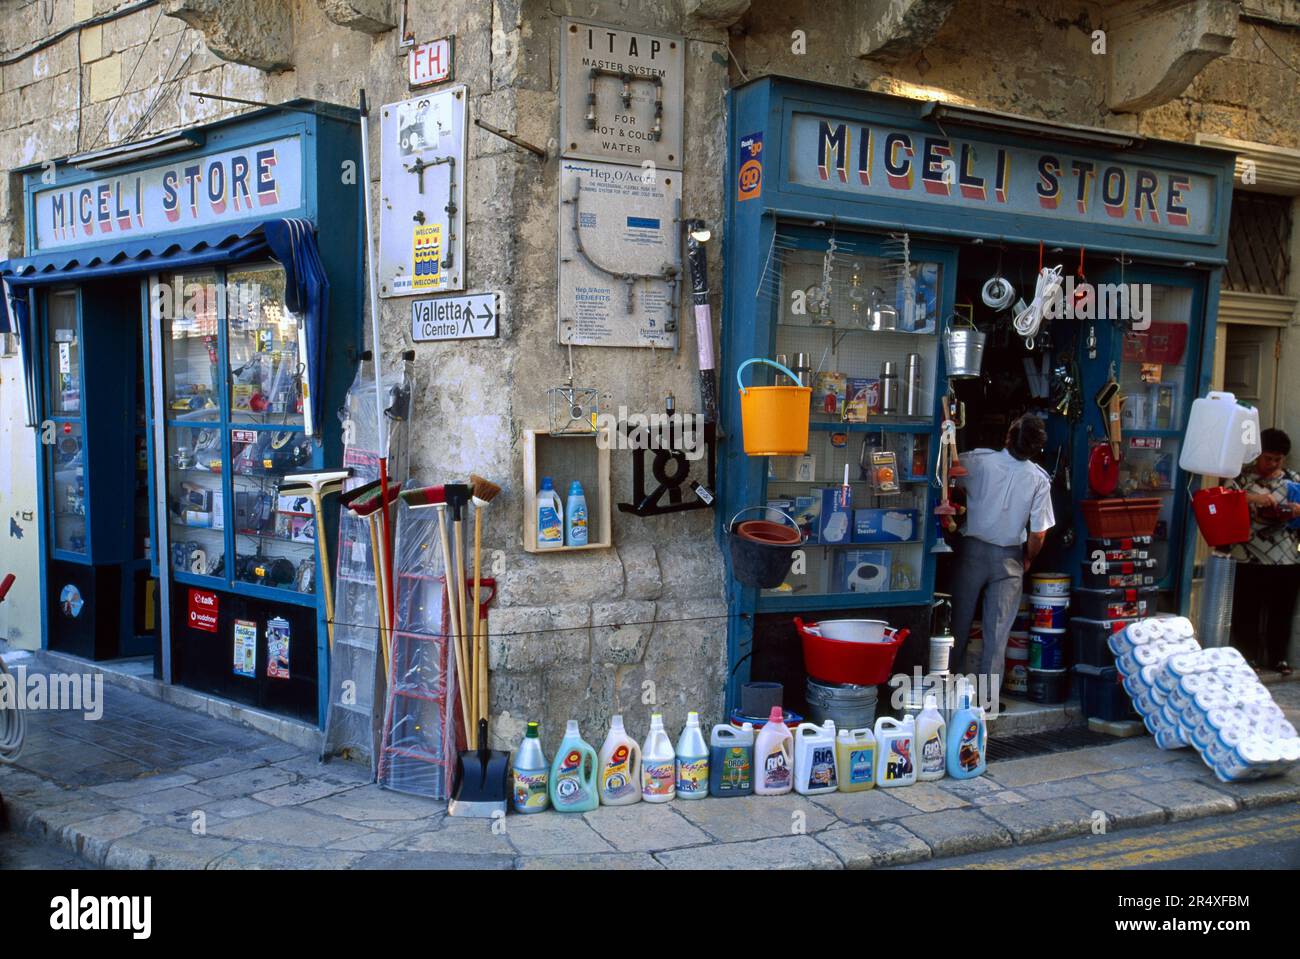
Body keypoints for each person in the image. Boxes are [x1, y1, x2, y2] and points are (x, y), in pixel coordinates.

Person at [949, 414, 1056, 684]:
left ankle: (950, 688)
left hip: (972, 551)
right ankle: (987, 702)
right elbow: (1039, 532)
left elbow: (950, 473)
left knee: (958, 623)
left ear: (1009, 436)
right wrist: (1028, 558)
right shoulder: (1039, 479)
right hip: (1010, 557)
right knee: (997, 633)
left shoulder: (978, 462)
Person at [1227, 428, 1300, 675]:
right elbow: (1222, 499)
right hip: (1247, 555)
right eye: (1267, 458)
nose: (1272, 464)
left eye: (1277, 459)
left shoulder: (1293, 481)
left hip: (1286, 558)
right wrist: (1253, 500)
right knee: (1247, 609)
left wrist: (1295, 511)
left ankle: (1278, 657)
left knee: (1282, 611)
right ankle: (1248, 658)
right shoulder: (1242, 479)